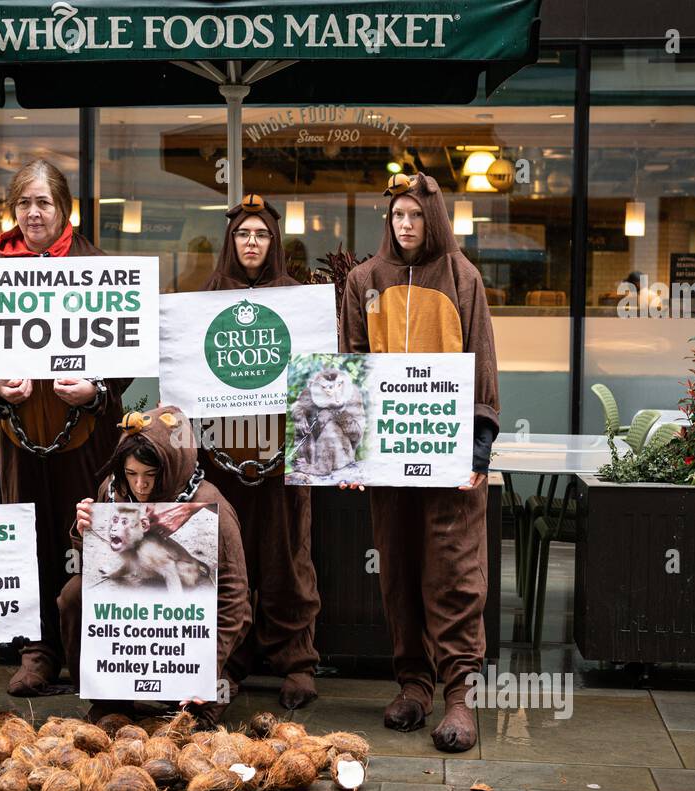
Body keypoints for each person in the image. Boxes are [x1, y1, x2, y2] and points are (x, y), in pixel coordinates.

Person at [0, 159, 130, 696]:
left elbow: (125, 348)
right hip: (19, 437)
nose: (34, 213)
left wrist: (97, 389)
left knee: (88, 535)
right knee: (30, 541)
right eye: (24, 203)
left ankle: (93, 650)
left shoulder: (97, 268)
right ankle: (38, 652)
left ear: (64, 209)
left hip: (85, 436)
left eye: (44, 203)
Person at [339, 172, 500, 752]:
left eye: (414, 216)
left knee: (454, 571)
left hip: (448, 452)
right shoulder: (364, 280)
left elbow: (480, 357)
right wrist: (350, 453)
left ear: (432, 218)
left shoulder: (463, 277)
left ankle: (460, 695)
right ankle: (413, 684)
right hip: (387, 455)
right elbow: (351, 365)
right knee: (400, 568)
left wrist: (478, 445)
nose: (405, 226)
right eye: (397, 216)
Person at [196, 194, 320, 709]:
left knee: (287, 557)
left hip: (284, 453)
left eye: (261, 234)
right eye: (243, 234)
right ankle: (229, 659)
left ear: (274, 243)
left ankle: (298, 662)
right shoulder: (205, 300)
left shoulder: (297, 299)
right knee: (229, 557)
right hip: (222, 453)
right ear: (232, 241)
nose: (252, 242)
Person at [57, 406, 251, 726]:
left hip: (191, 608)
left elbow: (233, 594)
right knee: (73, 595)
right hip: (141, 601)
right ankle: (109, 699)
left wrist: (207, 667)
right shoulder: (111, 489)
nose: (140, 486)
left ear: (171, 465)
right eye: (132, 474)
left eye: (150, 475)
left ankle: (213, 688)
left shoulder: (211, 502)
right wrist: (83, 534)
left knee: (194, 713)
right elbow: (93, 570)